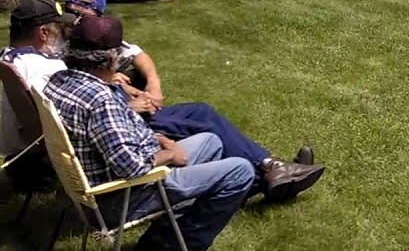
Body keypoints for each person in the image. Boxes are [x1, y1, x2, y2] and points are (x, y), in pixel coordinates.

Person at [1, 0, 325, 205]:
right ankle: (269, 170)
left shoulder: (14, 61)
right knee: (201, 114)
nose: (63, 33)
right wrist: (130, 109)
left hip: (71, 147)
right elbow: (81, 118)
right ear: (43, 32)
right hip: (103, 153)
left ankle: (272, 173)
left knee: (207, 132)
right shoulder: (44, 68)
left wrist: (130, 91)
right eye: (59, 28)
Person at [42, 13, 254, 251]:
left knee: (211, 142)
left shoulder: (59, 81)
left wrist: (156, 138)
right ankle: (176, 245)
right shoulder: (100, 100)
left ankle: (162, 239)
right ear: (110, 59)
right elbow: (130, 167)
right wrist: (169, 155)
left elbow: (106, 136)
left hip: (98, 188)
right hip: (121, 197)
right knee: (240, 171)